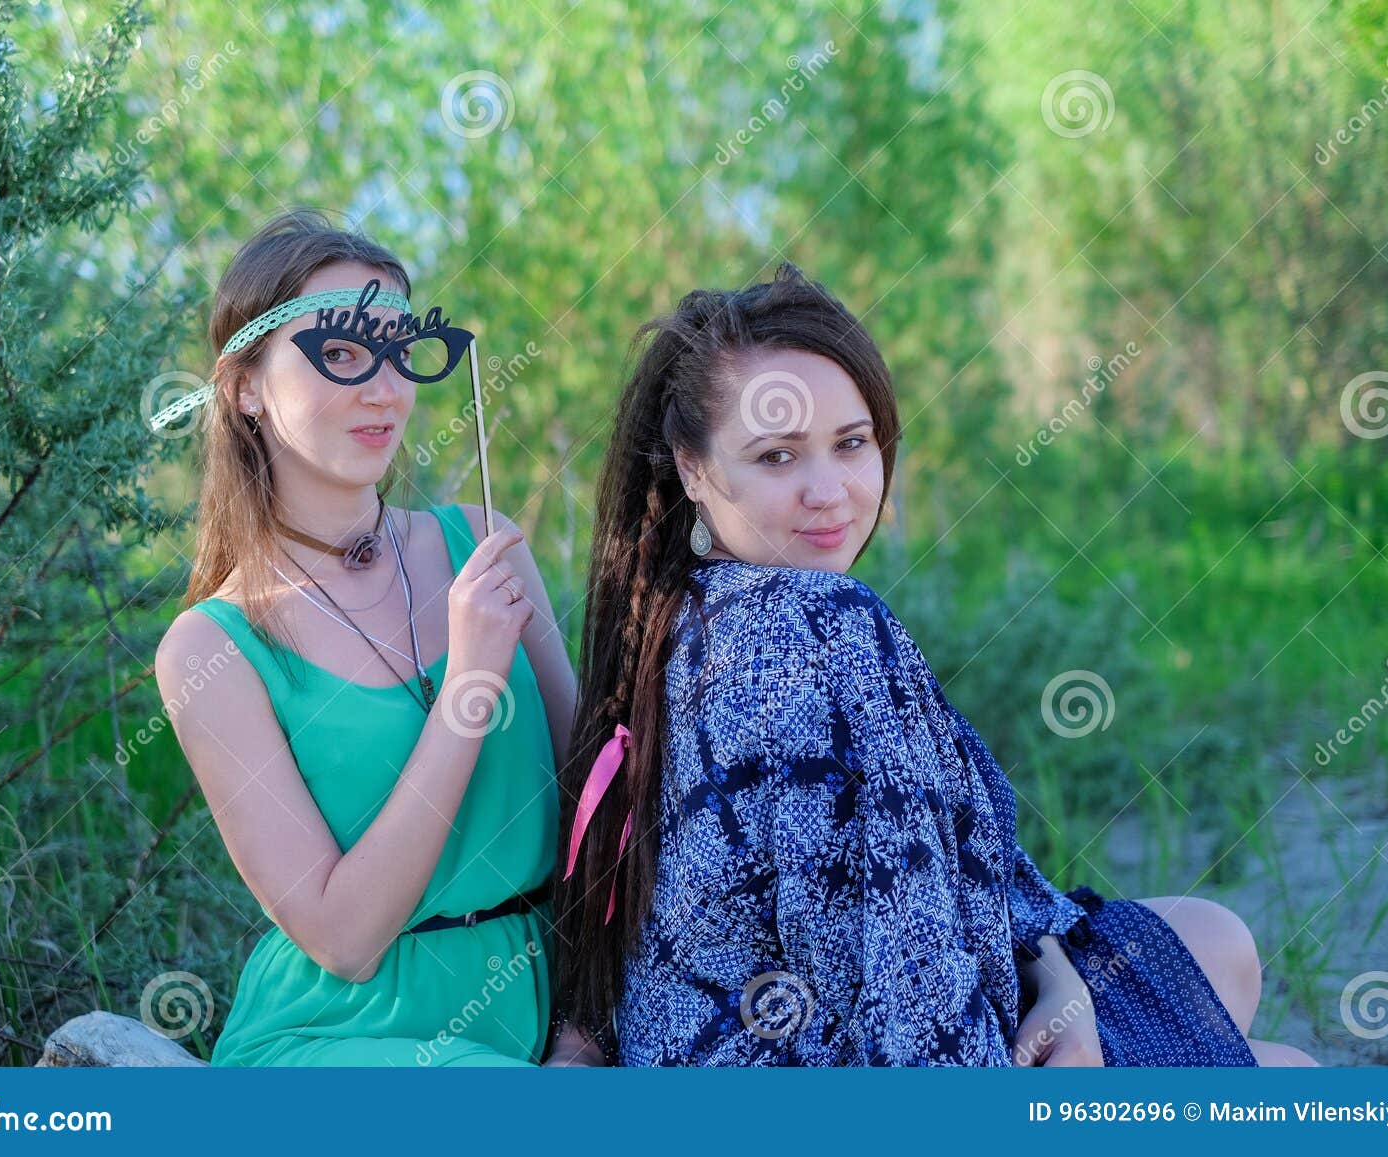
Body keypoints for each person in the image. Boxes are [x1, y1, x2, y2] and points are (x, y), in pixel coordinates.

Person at [549, 262, 1318, 1067]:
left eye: (851, 444)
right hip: (826, 1066)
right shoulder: (826, 626)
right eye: (778, 457)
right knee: (1289, 1073)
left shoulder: (676, 613)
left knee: (1218, 940)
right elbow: (904, 978)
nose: (830, 491)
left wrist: (1060, 983)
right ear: (694, 466)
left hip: (699, 1040)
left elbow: (944, 870)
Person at [154, 210, 574, 1066]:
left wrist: (588, 1027)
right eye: (341, 354)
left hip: (545, 996)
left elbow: (599, 816)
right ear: (246, 386)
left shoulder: (485, 547)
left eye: (399, 351)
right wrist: (468, 688)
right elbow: (345, 937)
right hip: (344, 1037)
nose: (385, 389)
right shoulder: (210, 648)